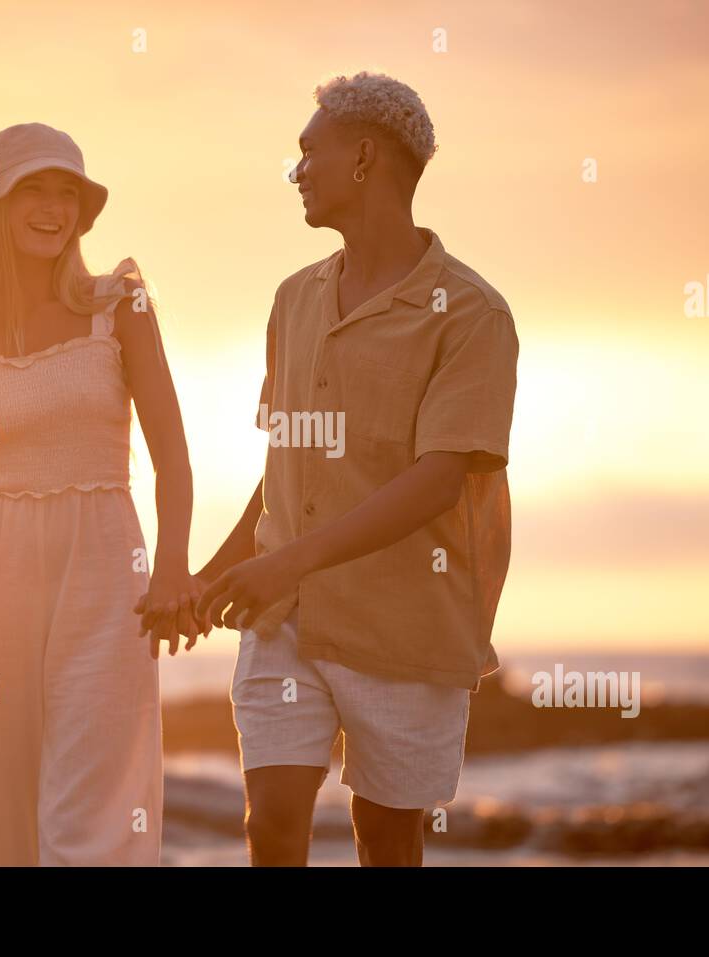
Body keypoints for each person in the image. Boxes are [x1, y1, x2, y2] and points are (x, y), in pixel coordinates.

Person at [193, 72, 520, 866]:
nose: (296, 170)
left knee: (386, 840)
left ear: (366, 158)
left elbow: (438, 480)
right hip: (286, 619)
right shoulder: (293, 299)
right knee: (271, 827)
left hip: (408, 621)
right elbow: (283, 463)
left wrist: (283, 563)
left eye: (309, 152)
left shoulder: (473, 314)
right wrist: (217, 571)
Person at [0, 122, 203, 866]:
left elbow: (172, 454)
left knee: (95, 812)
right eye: (31, 189)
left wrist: (173, 563)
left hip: (107, 568)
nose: (52, 207)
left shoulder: (121, 308)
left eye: (66, 192)